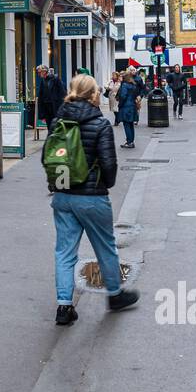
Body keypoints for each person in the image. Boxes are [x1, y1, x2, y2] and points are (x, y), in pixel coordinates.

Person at [49, 74, 140, 325]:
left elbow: (50, 156)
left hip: (63, 194)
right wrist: (104, 184)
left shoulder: (59, 119)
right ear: (92, 94)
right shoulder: (99, 123)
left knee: (65, 253)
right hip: (91, 197)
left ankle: (64, 307)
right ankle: (114, 294)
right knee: (105, 248)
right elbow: (109, 164)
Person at [36, 65, 64, 132]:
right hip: (46, 107)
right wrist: (41, 112)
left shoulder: (55, 79)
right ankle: (51, 136)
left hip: (54, 106)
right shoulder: (43, 81)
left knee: (56, 124)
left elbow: (62, 93)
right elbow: (41, 95)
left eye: (40, 72)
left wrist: (61, 106)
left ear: (44, 71)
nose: (39, 74)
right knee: (49, 125)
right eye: (38, 73)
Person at [115, 71, 139, 148]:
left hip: (126, 107)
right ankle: (131, 141)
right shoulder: (133, 85)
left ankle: (129, 142)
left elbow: (123, 96)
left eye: (122, 77)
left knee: (126, 124)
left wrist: (120, 104)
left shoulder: (125, 85)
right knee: (131, 124)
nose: (121, 78)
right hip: (132, 106)